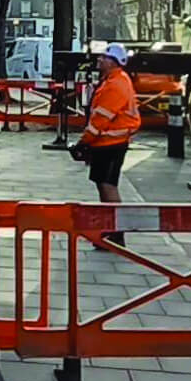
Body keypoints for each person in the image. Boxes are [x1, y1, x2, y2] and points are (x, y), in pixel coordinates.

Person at [72, 41, 141, 246]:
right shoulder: (114, 80)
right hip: (109, 142)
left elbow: (100, 119)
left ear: (114, 62)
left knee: (108, 186)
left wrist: (83, 142)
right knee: (103, 185)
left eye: (104, 57)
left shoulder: (115, 85)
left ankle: (116, 232)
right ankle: (109, 228)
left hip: (110, 143)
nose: (99, 60)